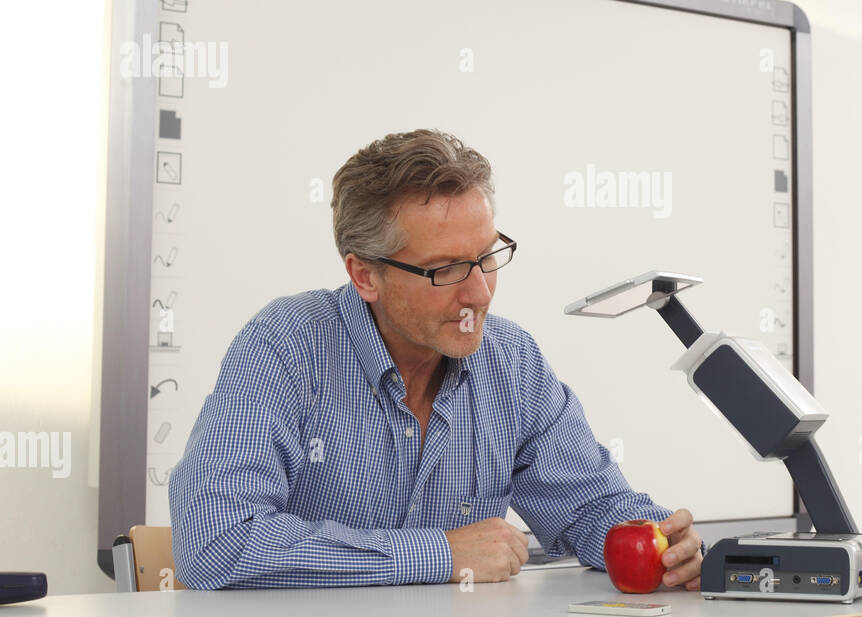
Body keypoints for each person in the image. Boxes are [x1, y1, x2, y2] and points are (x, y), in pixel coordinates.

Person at [169, 128, 704, 589]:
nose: (479, 294)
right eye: (445, 269)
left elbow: (589, 509)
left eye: (487, 257)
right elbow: (216, 539)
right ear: (365, 276)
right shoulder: (287, 346)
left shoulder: (511, 361)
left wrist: (667, 544)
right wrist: (440, 554)